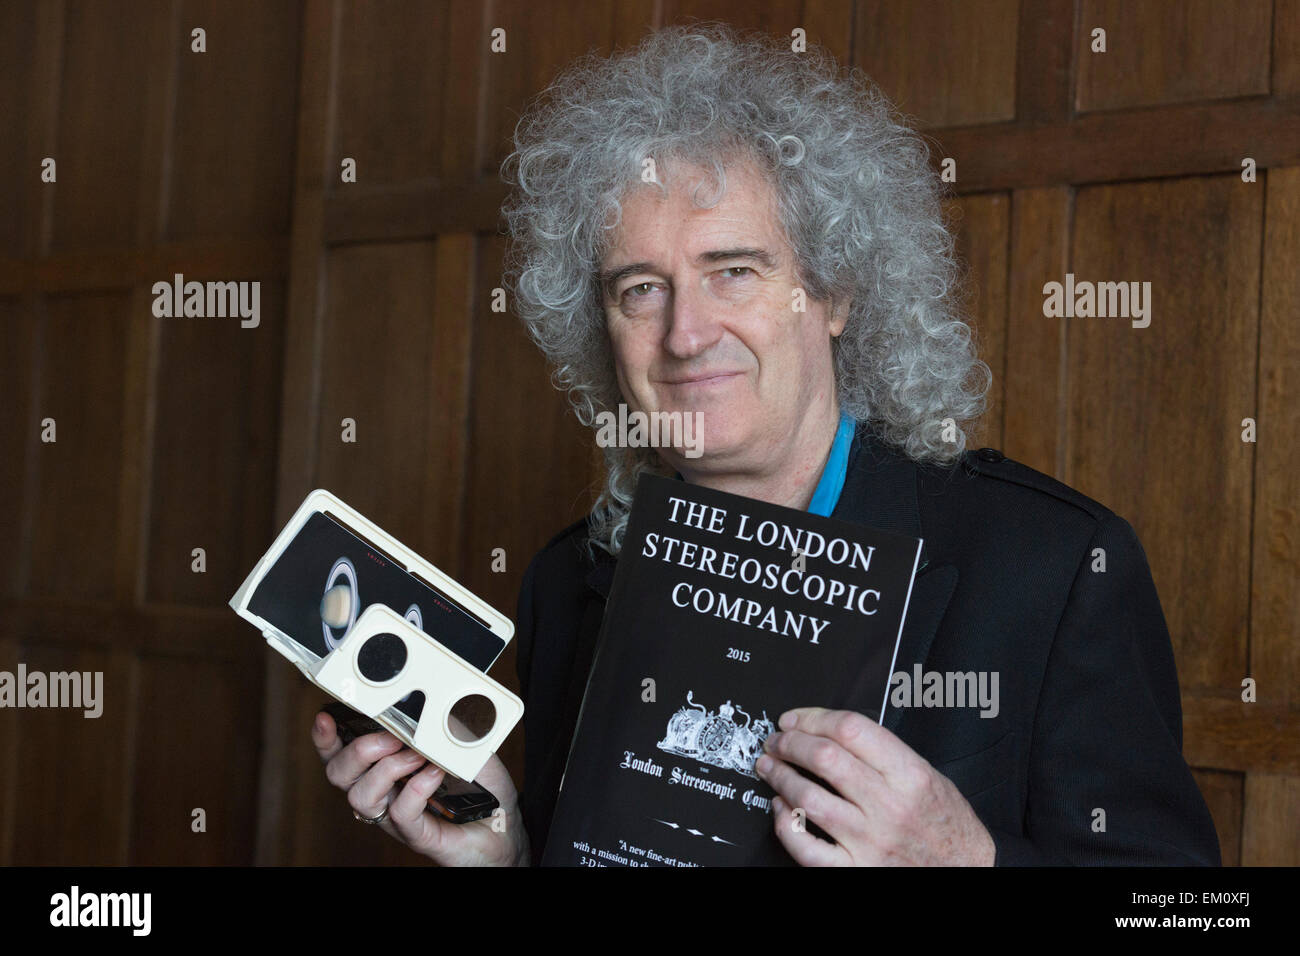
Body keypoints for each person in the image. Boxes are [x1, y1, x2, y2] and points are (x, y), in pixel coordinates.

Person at [311, 23, 1220, 867]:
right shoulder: (572, 581)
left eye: (733, 272)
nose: (685, 333)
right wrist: (508, 850)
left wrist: (966, 863)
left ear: (834, 296)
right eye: (640, 289)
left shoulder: (1052, 568)